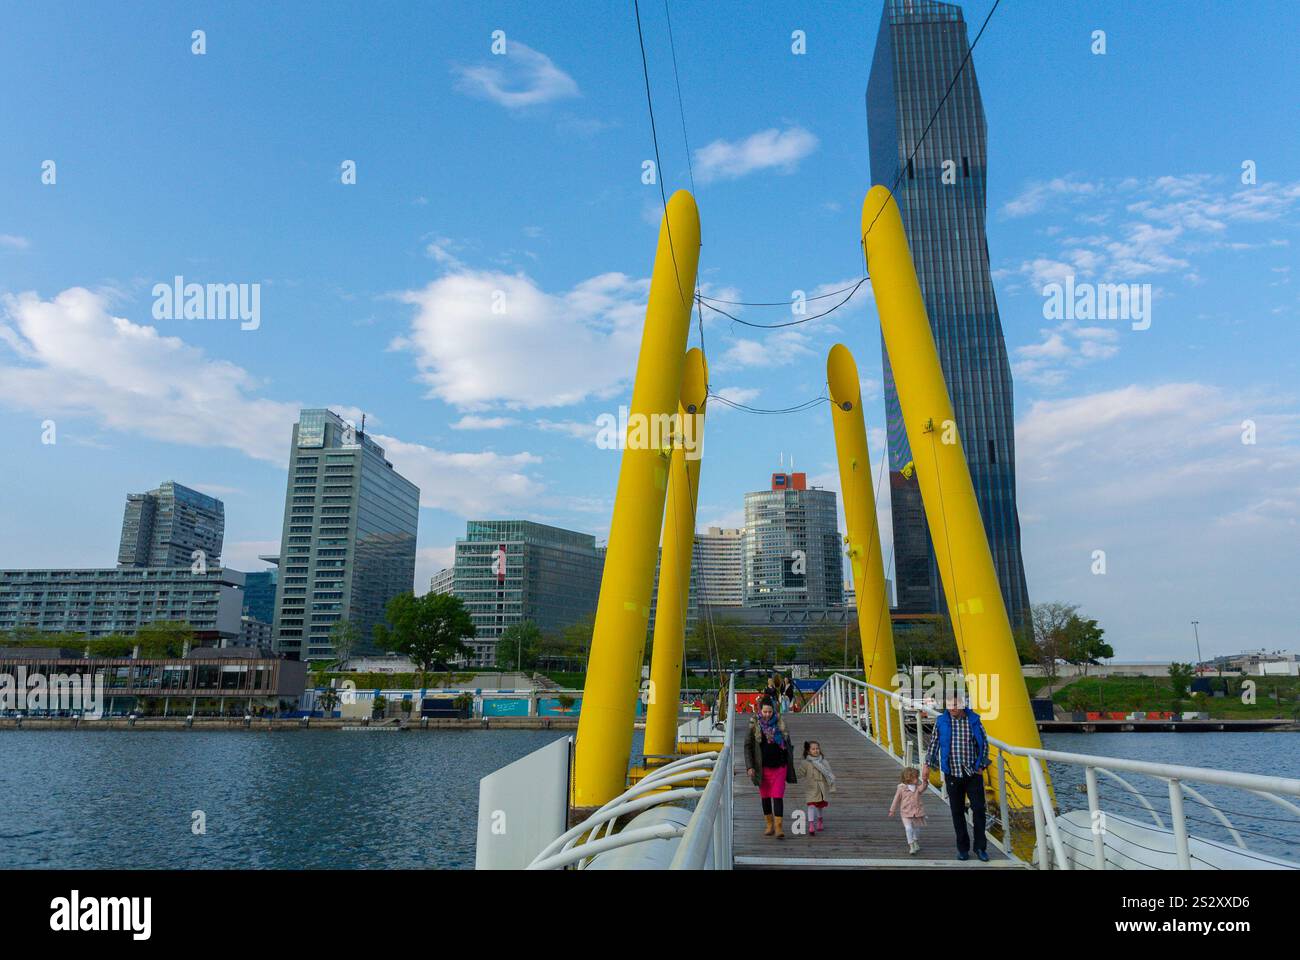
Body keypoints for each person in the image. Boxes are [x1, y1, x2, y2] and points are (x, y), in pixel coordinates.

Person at [920, 693, 991, 861]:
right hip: (952, 773)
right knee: (957, 811)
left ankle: (980, 848)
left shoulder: (973, 721)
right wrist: (927, 765)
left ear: (962, 705)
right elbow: (934, 744)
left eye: (955, 705)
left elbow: (985, 744)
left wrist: (981, 765)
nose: (952, 708)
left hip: (973, 773)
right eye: (949, 705)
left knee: (979, 809)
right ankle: (963, 849)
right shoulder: (942, 721)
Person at [744, 698, 797, 838]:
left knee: (778, 796)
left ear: (774, 711)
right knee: (765, 797)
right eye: (765, 711)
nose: (767, 714)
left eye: (770, 711)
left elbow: (788, 744)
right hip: (762, 768)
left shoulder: (781, 723)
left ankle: (779, 827)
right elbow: (747, 746)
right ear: (760, 711)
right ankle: (769, 824)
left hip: (780, 766)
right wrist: (749, 766)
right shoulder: (754, 725)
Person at [888, 766, 928, 854]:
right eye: (915, 778)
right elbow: (896, 799)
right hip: (905, 812)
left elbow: (923, 788)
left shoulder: (917, 787)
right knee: (909, 828)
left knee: (917, 829)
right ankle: (911, 845)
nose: (917, 779)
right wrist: (892, 810)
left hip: (917, 812)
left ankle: (915, 841)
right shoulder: (901, 788)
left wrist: (925, 781)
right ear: (908, 778)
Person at [798, 740, 835, 835]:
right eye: (813, 749)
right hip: (811, 787)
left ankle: (820, 820)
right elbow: (800, 773)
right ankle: (811, 824)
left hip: (821, 787)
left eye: (817, 748)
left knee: (819, 806)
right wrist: (791, 774)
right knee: (811, 805)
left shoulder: (824, 762)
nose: (816, 750)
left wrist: (832, 786)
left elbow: (830, 774)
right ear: (808, 751)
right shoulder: (805, 763)